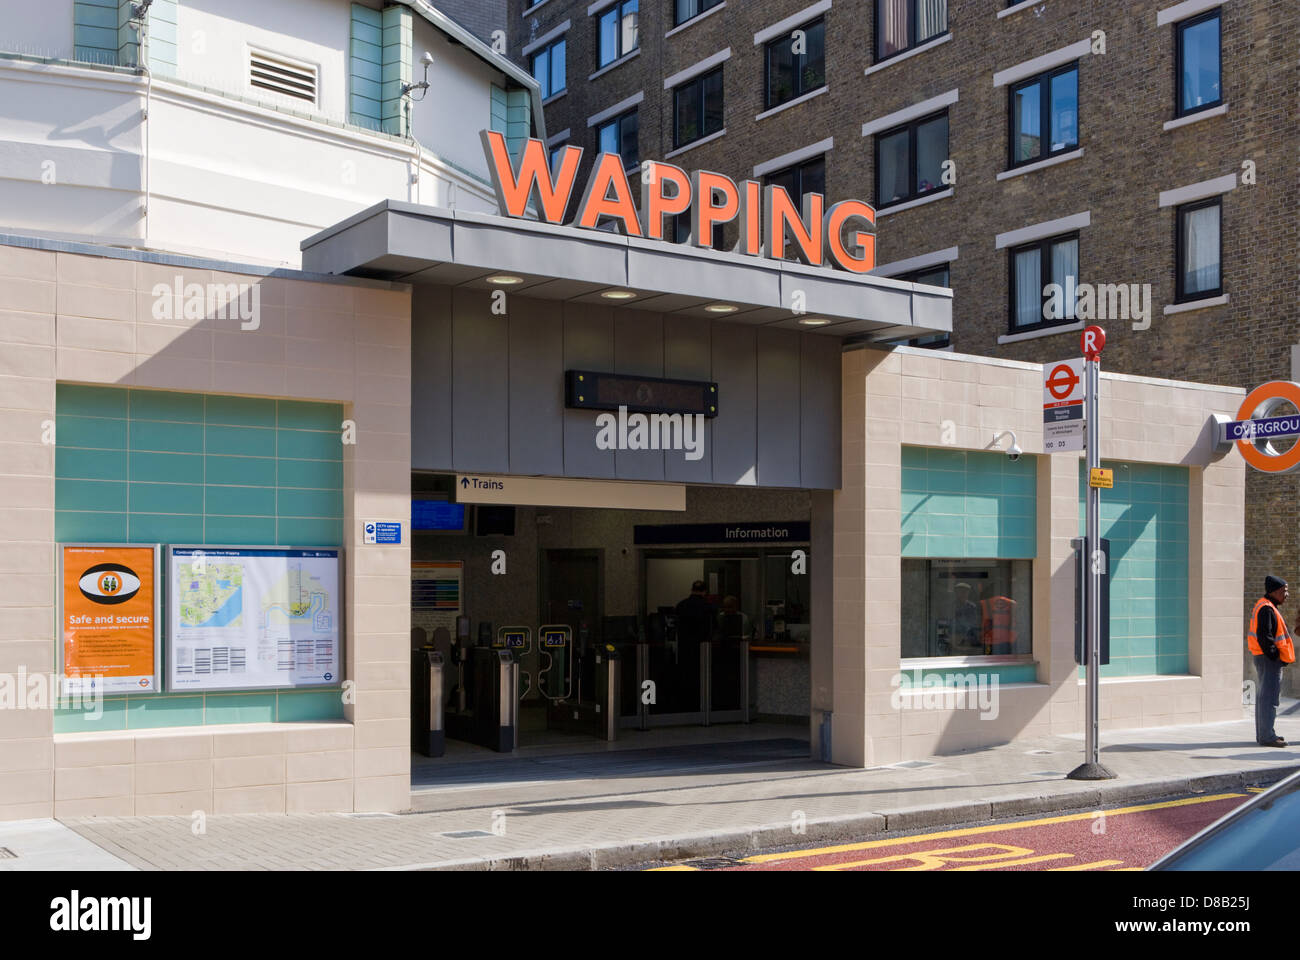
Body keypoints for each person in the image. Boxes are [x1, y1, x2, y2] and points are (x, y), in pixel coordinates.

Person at [1247, 575, 1295, 747]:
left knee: (1264, 698)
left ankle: (1264, 734)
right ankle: (1267, 736)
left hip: (1264, 658)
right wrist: (1276, 657)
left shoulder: (1266, 606)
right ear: (1274, 592)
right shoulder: (1267, 609)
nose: (1287, 594)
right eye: (1284, 591)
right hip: (1269, 660)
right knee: (1269, 699)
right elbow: (1265, 637)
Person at [673, 581, 715, 710]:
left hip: (684, 648)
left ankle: (685, 705)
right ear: (704, 591)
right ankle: (702, 705)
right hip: (702, 649)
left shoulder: (681, 605)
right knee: (701, 678)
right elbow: (714, 628)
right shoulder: (708, 607)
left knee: (685, 677)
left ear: (691, 590)